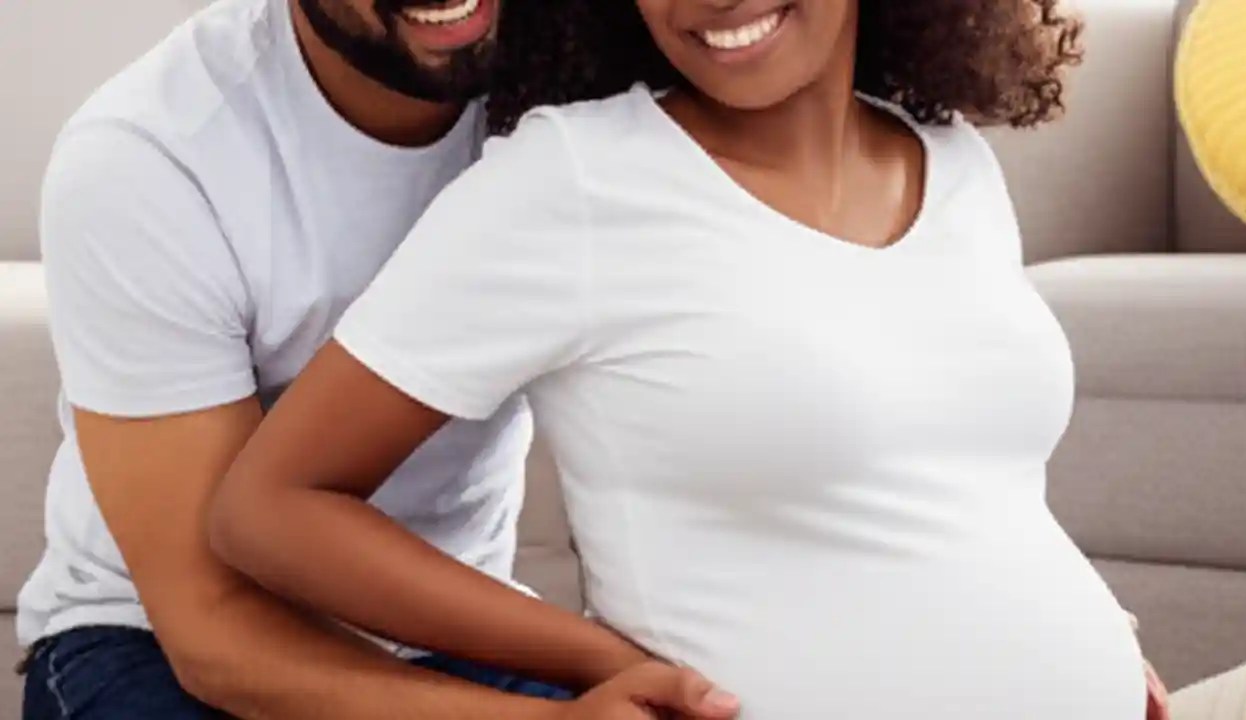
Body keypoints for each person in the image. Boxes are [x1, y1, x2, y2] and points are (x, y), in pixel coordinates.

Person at [207, 0, 1179, 718]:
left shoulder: (950, 156)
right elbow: (271, 508)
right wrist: (589, 660)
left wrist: (1081, 641)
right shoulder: (574, 179)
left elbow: (961, 480)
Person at [17, 0, 740, 717]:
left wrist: (627, 665)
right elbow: (210, 627)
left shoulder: (569, 80)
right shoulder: (151, 156)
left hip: (447, 629)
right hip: (149, 646)